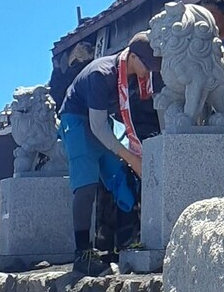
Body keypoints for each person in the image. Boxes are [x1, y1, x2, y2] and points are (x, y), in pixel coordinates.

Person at [58, 37, 159, 275]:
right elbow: (97, 126)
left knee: (122, 176)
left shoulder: (132, 78)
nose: (149, 71)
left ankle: (125, 243)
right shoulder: (101, 74)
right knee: (86, 184)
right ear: (132, 57)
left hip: (104, 123)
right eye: (147, 65)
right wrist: (133, 158)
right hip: (78, 121)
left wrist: (133, 156)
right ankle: (82, 253)